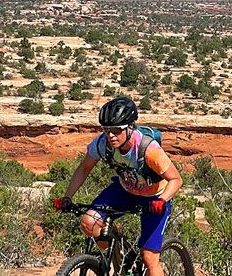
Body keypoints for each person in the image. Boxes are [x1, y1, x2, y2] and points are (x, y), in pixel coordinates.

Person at [54, 97, 182, 276]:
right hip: (124, 191)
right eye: (106, 130)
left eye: (116, 130)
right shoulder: (102, 144)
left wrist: (161, 200)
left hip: (154, 197)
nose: (111, 135)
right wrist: (67, 197)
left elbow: (176, 179)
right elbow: (84, 169)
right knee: (89, 223)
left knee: (149, 257)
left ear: (130, 127)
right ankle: (118, 260)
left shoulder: (148, 149)